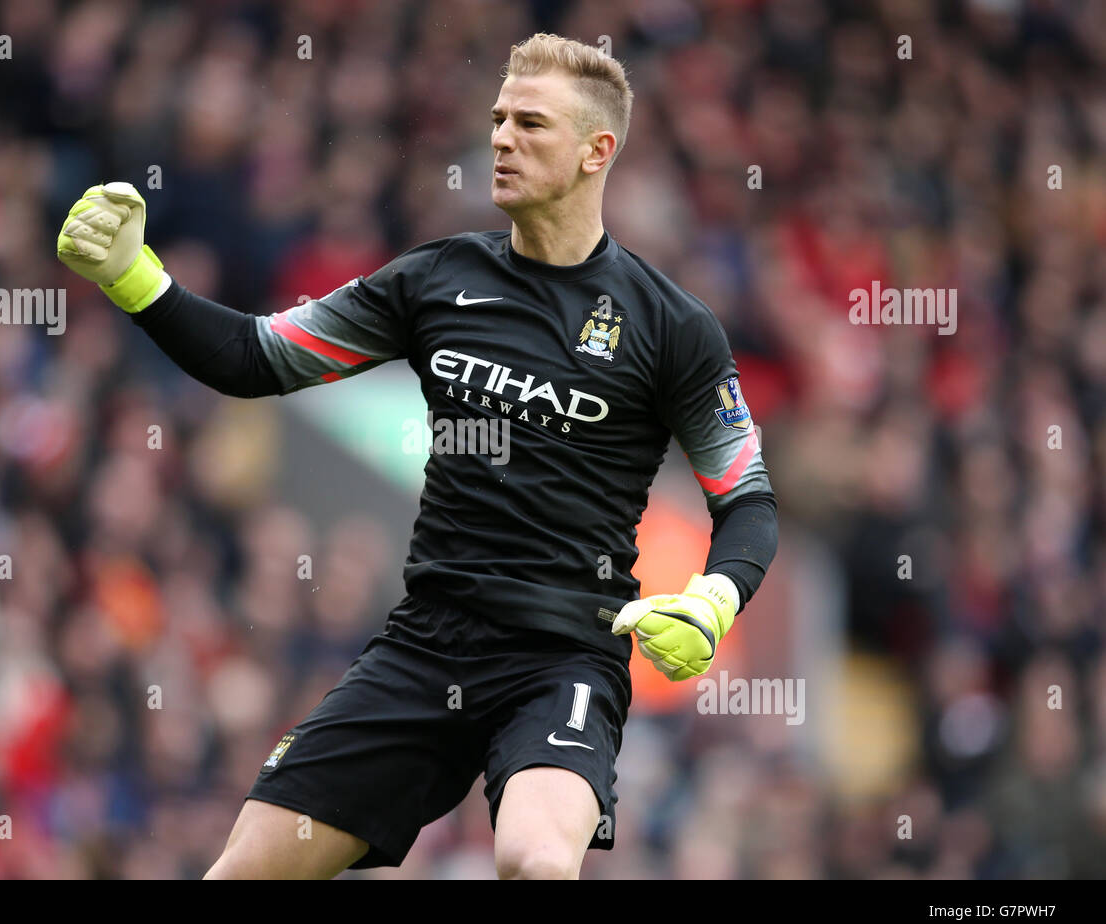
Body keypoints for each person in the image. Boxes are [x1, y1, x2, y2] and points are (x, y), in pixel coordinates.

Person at [56, 32, 778, 880]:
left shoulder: (673, 326)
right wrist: (136, 278)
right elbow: (257, 357)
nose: (502, 139)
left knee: (535, 863)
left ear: (597, 150)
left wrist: (715, 597)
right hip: (424, 646)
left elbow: (748, 499)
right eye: (499, 118)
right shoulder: (435, 280)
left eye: (531, 124)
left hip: (564, 655)